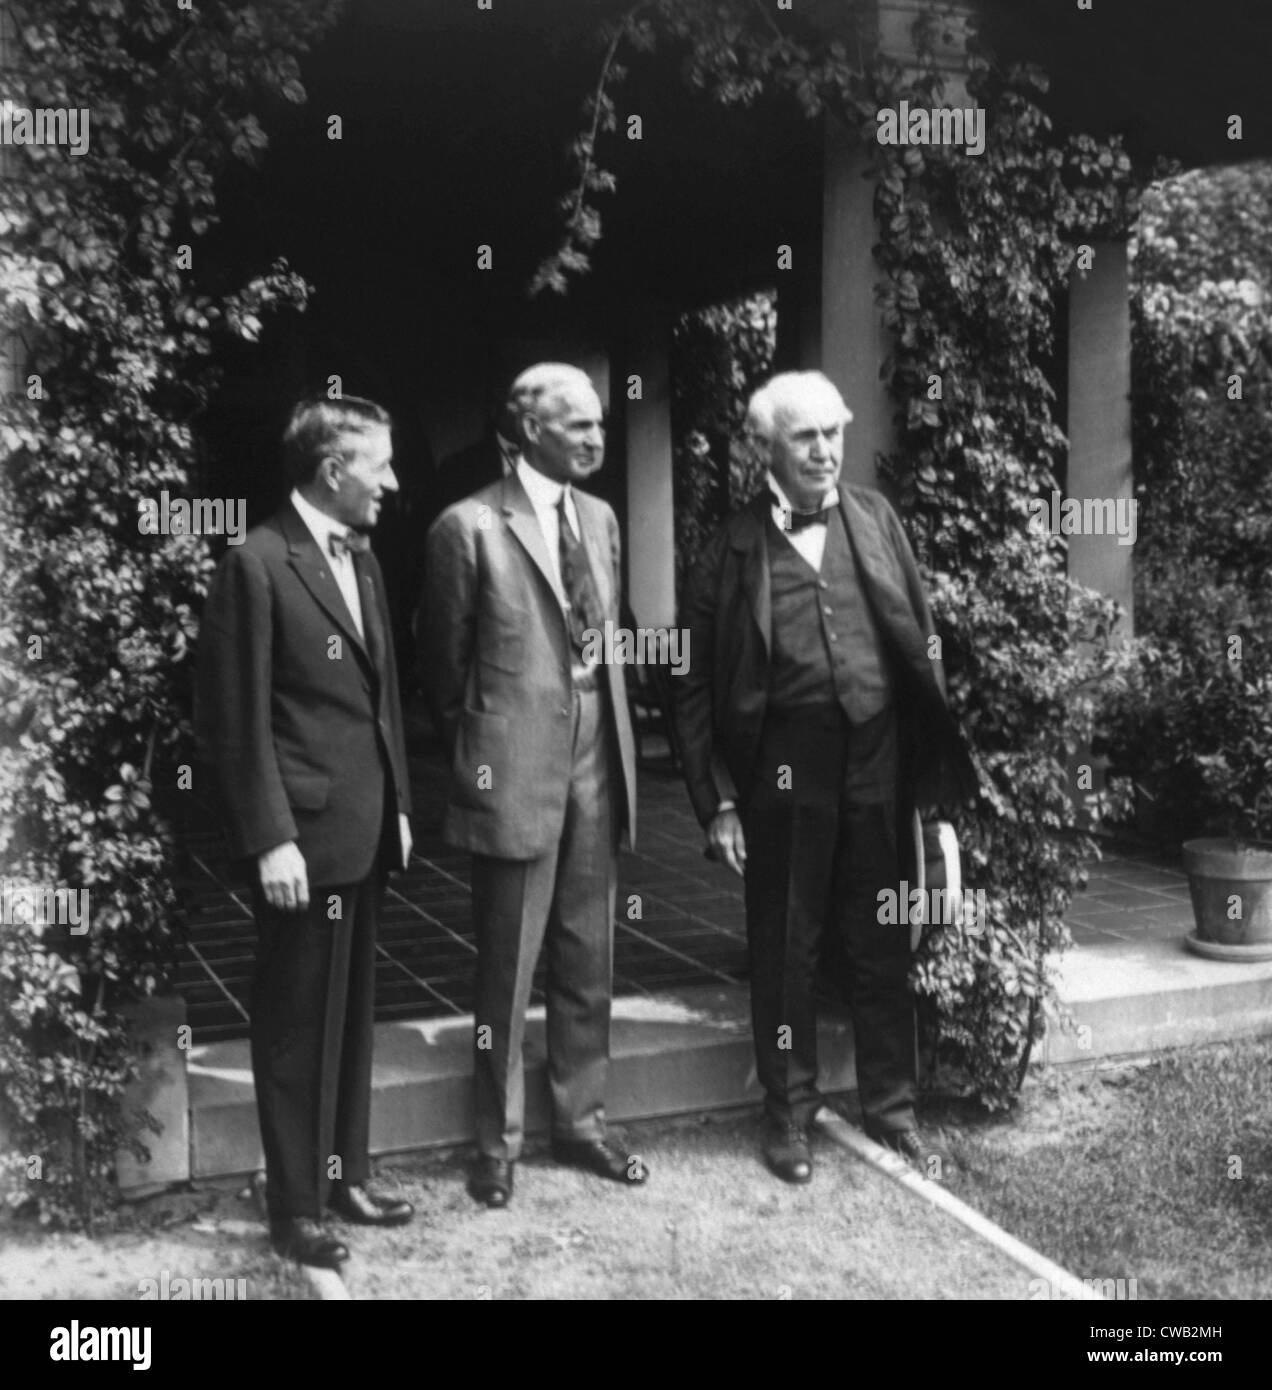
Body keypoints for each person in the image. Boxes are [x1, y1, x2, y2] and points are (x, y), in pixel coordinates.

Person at [673, 370, 977, 1183]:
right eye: (805, 437)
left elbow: (920, 631)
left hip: (876, 758)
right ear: (766, 446)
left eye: (832, 434)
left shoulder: (874, 517)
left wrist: (924, 758)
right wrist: (719, 801)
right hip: (781, 771)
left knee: (882, 937)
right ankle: (790, 1117)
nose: (823, 451)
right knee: (786, 948)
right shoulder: (730, 545)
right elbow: (692, 682)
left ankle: (891, 1109)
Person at [195, 395, 415, 1267]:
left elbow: (383, 694)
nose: (394, 483)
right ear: (332, 471)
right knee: (293, 1024)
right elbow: (234, 721)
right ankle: (295, 1207)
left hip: (362, 828)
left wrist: (398, 803)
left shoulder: (361, 558)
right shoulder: (256, 563)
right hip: (302, 840)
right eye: (381, 466)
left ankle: (345, 1175)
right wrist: (269, 837)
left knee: (354, 1013)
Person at [420, 362, 646, 1208]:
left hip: (599, 746)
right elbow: (441, 671)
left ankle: (580, 1123)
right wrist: (486, 753)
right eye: (578, 425)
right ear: (526, 431)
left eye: (599, 424)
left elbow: (608, 631)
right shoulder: (467, 526)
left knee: (591, 947)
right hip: (514, 758)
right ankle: (496, 1142)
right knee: (507, 962)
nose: (597, 437)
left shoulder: (601, 516)